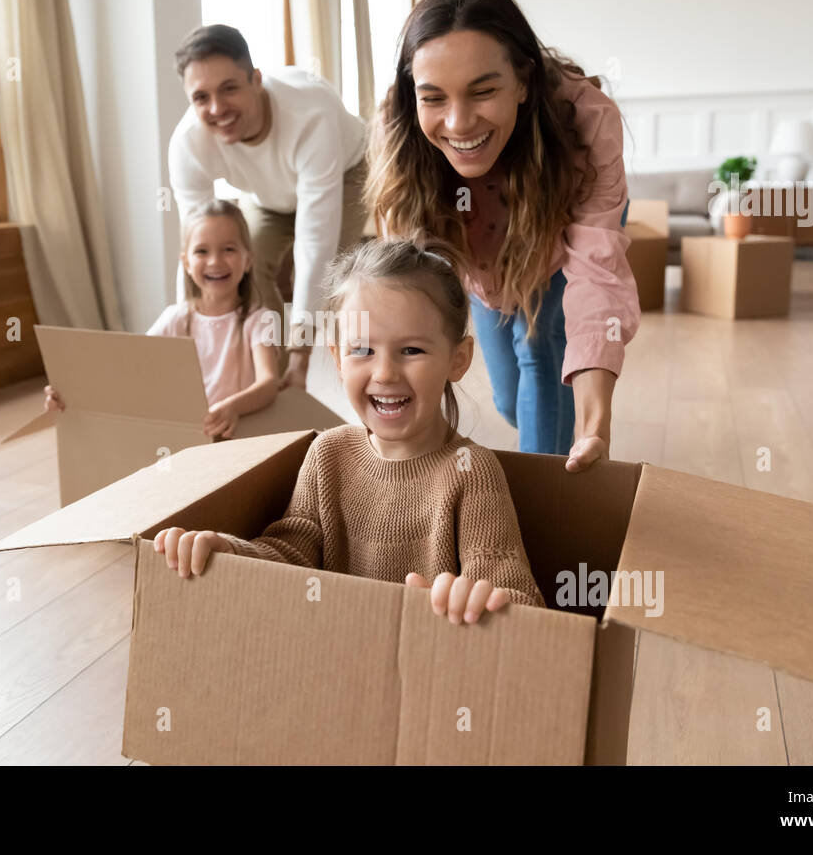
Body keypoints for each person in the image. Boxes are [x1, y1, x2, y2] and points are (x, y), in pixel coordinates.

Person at [152, 238, 546, 624]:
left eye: (411, 350)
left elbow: (520, 598)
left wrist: (478, 601)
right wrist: (231, 553)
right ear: (339, 359)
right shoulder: (328, 454)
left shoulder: (472, 472)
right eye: (363, 350)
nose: (385, 373)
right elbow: (291, 553)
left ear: (457, 360)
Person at [365, 0, 640, 471]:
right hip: (480, 264)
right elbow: (402, 278)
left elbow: (597, 279)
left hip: (559, 244)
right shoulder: (399, 126)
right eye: (434, 98)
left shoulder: (587, 121)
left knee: (539, 355)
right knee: (510, 401)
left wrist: (594, 424)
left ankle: (548, 499)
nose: (459, 122)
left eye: (484, 91)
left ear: (524, 82)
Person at [168, 24, 368, 392]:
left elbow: (315, 245)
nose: (216, 109)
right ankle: (267, 382)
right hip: (265, 194)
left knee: (332, 279)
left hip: (345, 172)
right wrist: (187, 343)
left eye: (229, 88)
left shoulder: (311, 113)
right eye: (201, 97)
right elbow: (195, 250)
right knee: (245, 264)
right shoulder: (187, 144)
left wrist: (300, 358)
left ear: (256, 79)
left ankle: (310, 376)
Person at [45, 200, 280, 441]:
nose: (214, 261)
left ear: (248, 260)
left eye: (228, 249)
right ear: (187, 263)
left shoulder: (259, 320)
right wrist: (71, 393)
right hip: (183, 438)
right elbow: (129, 366)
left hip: (237, 440)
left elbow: (269, 383)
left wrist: (233, 407)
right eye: (202, 251)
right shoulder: (174, 319)